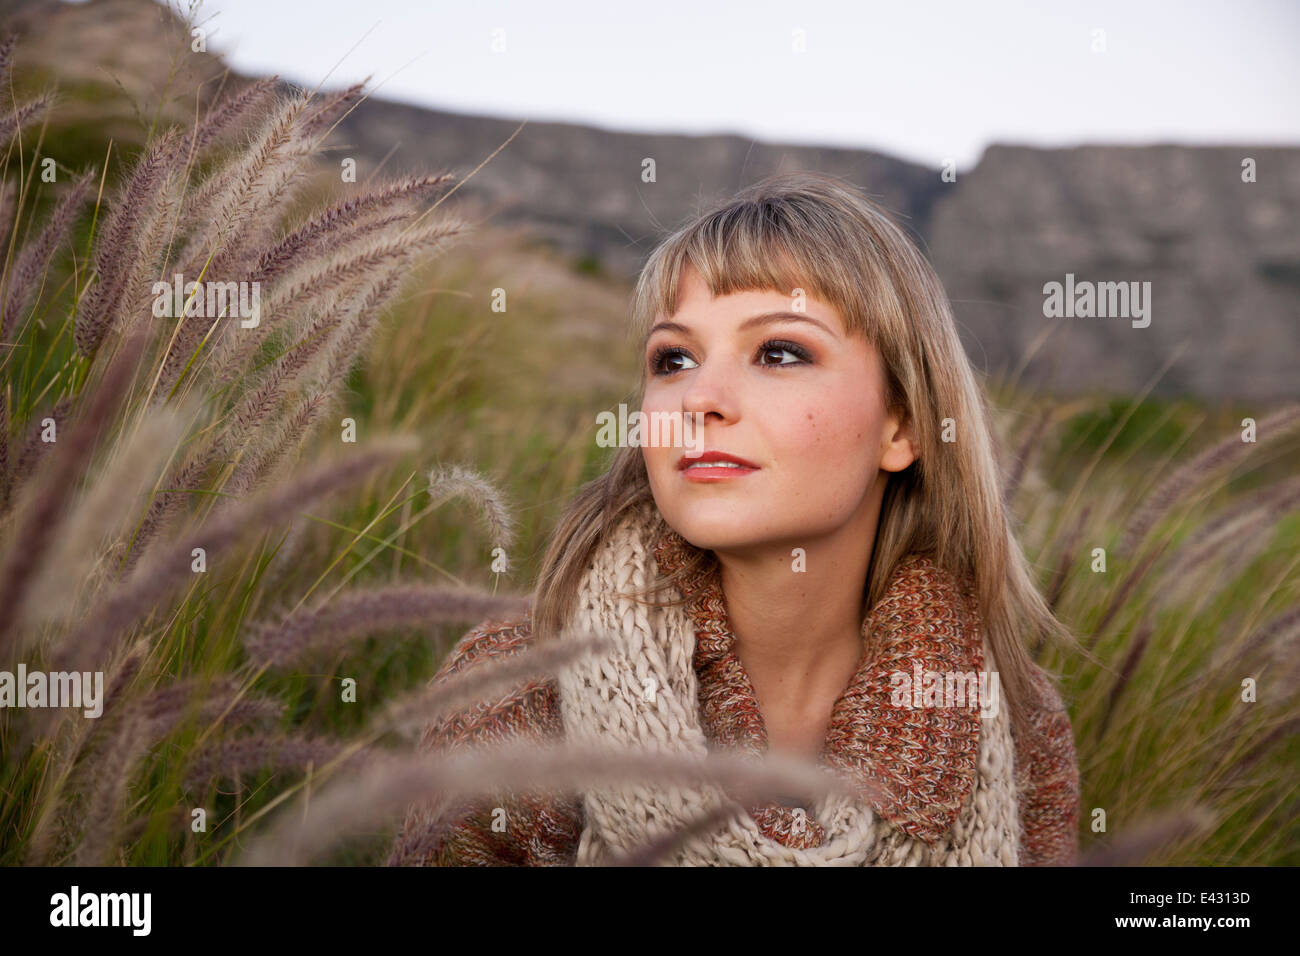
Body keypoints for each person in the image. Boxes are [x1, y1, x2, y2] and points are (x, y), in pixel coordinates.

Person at [387, 170, 1082, 866]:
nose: (701, 397)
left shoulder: (1014, 724)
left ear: (901, 426)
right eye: (674, 358)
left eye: (780, 352)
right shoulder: (519, 694)